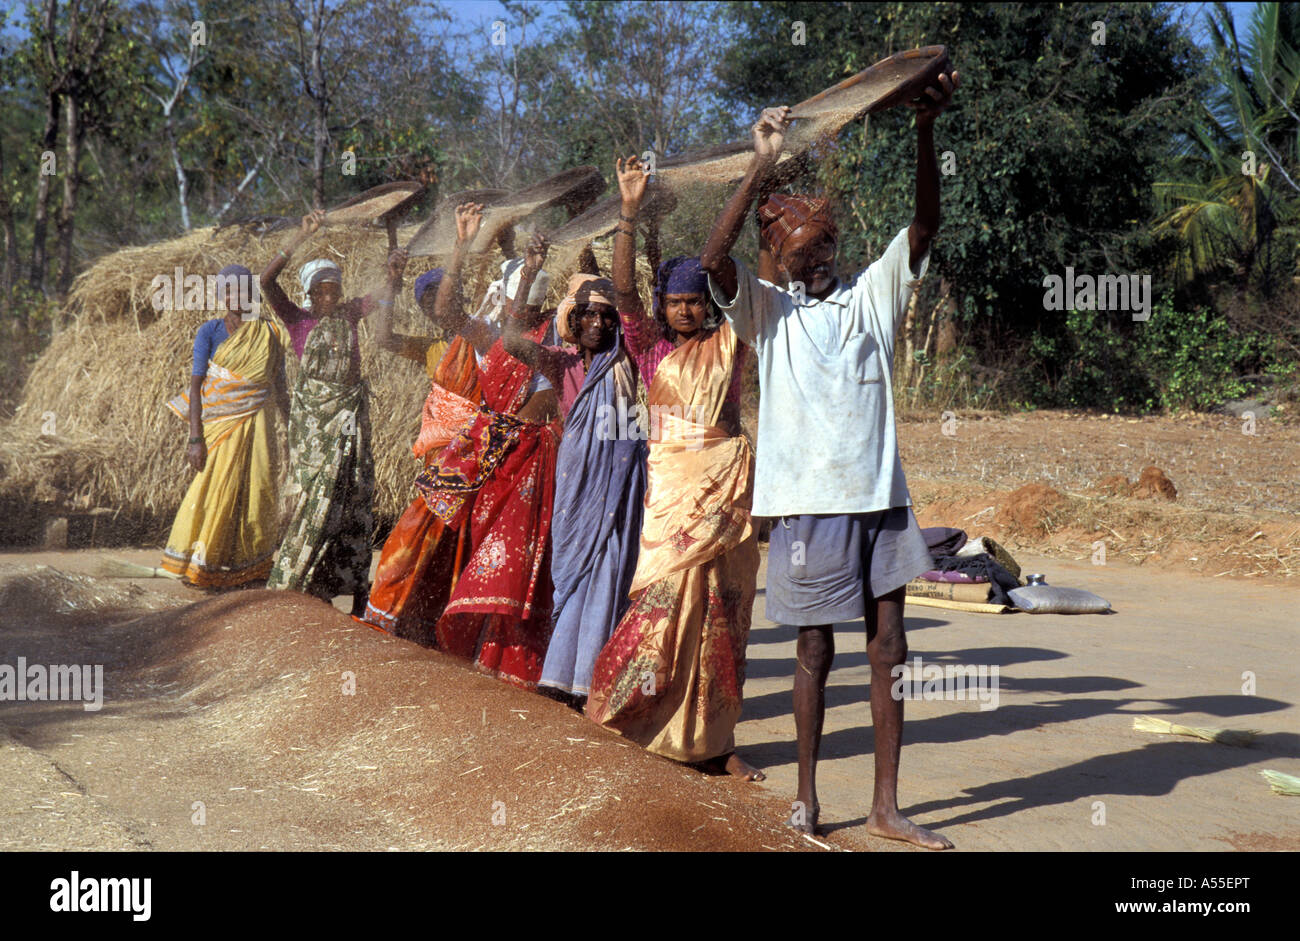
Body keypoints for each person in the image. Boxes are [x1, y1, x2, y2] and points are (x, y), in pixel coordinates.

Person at [698, 67, 961, 849]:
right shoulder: (767, 312)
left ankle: (885, 806)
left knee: (891, 647)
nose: (818, 258)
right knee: (813, 647)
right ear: (775, 257)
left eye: (826, 244)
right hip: (809, 505)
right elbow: (713, 258)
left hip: (880, 496)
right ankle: (808, 798)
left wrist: (923, 127)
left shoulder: (870, 296)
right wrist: (759, 163)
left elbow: (923, 228)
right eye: (800, 248)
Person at [585, 155, 763, 782]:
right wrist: (628, 212)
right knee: (661, 606)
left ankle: (714, 741)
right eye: (675, 301)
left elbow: (736, 267)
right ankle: (630, 716)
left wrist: (758, 177)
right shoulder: (649, 344)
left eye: (695, 301)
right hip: (671, 499)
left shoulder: (733, 341)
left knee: (724, 614)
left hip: (724, 495)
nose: (685, 311)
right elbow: (625, 293)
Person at [414, 204, 561, 688]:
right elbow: (446, 311)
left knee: (537, 563)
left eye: (532, 295)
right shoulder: (493, 338)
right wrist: (461, 245)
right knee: (494, 555)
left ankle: (527, 664)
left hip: (544, 459)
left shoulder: (562, 338)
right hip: (501, 459)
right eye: (522, 291)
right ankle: (486, 654)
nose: (525, 303)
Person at [499, 234, 647, 706]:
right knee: (572, 573)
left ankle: (588, 679)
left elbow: (638, 310)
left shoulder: (626, 363)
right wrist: (528, 274)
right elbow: (508, 342)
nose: (599, 323)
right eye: (589, 315)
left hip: (617, 488)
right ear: (573, 321)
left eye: (607, 316)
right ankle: (560, 675)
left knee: (606, 571)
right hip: (576, 487)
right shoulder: (560, 364)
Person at [359, 256, 482, 644]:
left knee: (459, 540)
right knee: (420, 532)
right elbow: (384, 339)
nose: (436, 308)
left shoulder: (483, 340)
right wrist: (390, 291)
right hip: (439, 459)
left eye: (443, 298)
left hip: (474, 455)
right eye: (428, 303)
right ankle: (403, 610)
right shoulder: (432, 348)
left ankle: (444, 622)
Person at [263, 210, 376, 618]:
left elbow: (383, 294)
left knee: (352, 496)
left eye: (334, 290)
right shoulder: (298, 321)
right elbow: (265, 281)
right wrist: (299, 236)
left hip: (349, 425)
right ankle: (299, 583)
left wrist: (394, 269)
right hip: (313, 430)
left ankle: (351, 589)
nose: (329, 298)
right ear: (309, 295)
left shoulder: (350, 315)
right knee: (312, 499)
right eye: (321, 292)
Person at [161, 264, 289, 588]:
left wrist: (293, 428)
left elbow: (280, 387)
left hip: (259, 428)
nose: (235, 296)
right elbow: (196, 387)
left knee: (256, 493)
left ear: (252, 293)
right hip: (217, 429)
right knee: (211, 492)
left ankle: (250, 570)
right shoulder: (210, 331)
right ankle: (203, 565)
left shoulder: (270, 333)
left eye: (242, 289)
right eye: (228, 290)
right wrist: (195, 438)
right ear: (221, 295)